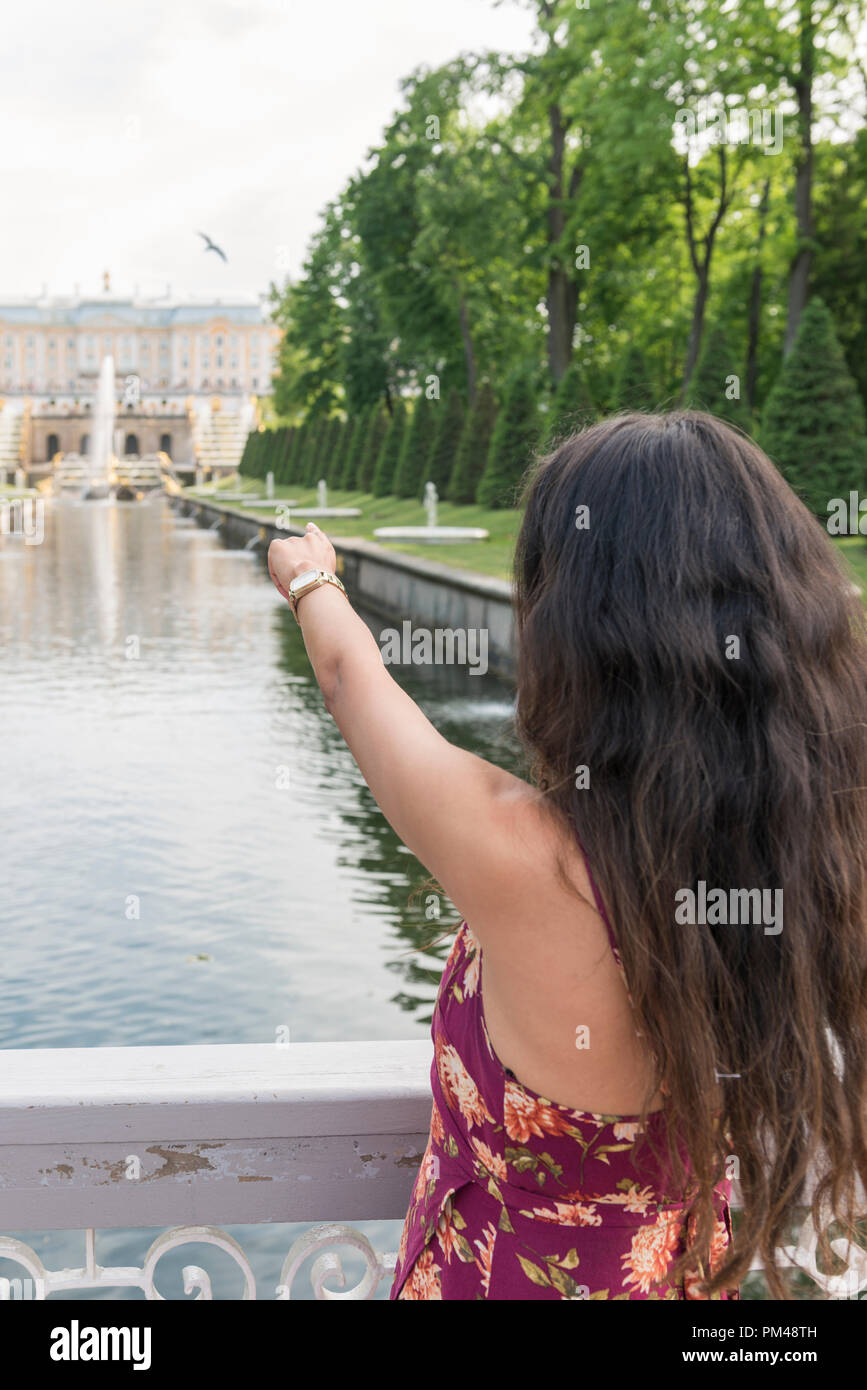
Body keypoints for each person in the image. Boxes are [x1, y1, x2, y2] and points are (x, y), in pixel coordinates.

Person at [267, 410, 867, 1301]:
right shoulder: (818, 851)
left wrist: (309, 573)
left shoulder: (528, 862)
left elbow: (351, 680)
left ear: (577, 627)